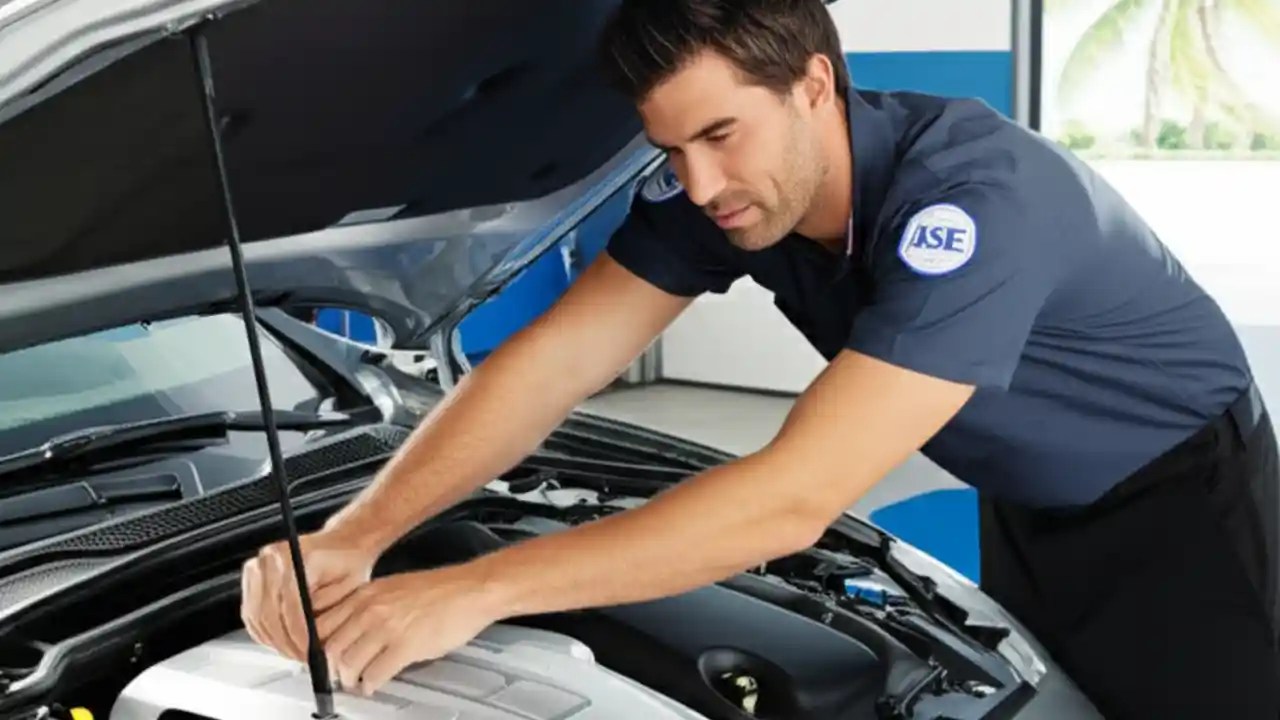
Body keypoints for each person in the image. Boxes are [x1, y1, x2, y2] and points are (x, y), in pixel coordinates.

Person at [239, 0, 1280, 716]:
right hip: (1025, 498)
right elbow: (549, 361)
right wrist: (359, 533)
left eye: (720, 134)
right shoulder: (733, 195)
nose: (698, 184)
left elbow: (788, 501)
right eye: (670, 150)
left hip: (1183, 503)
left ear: (813, 85)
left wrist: (471, 591)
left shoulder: (978, 204)